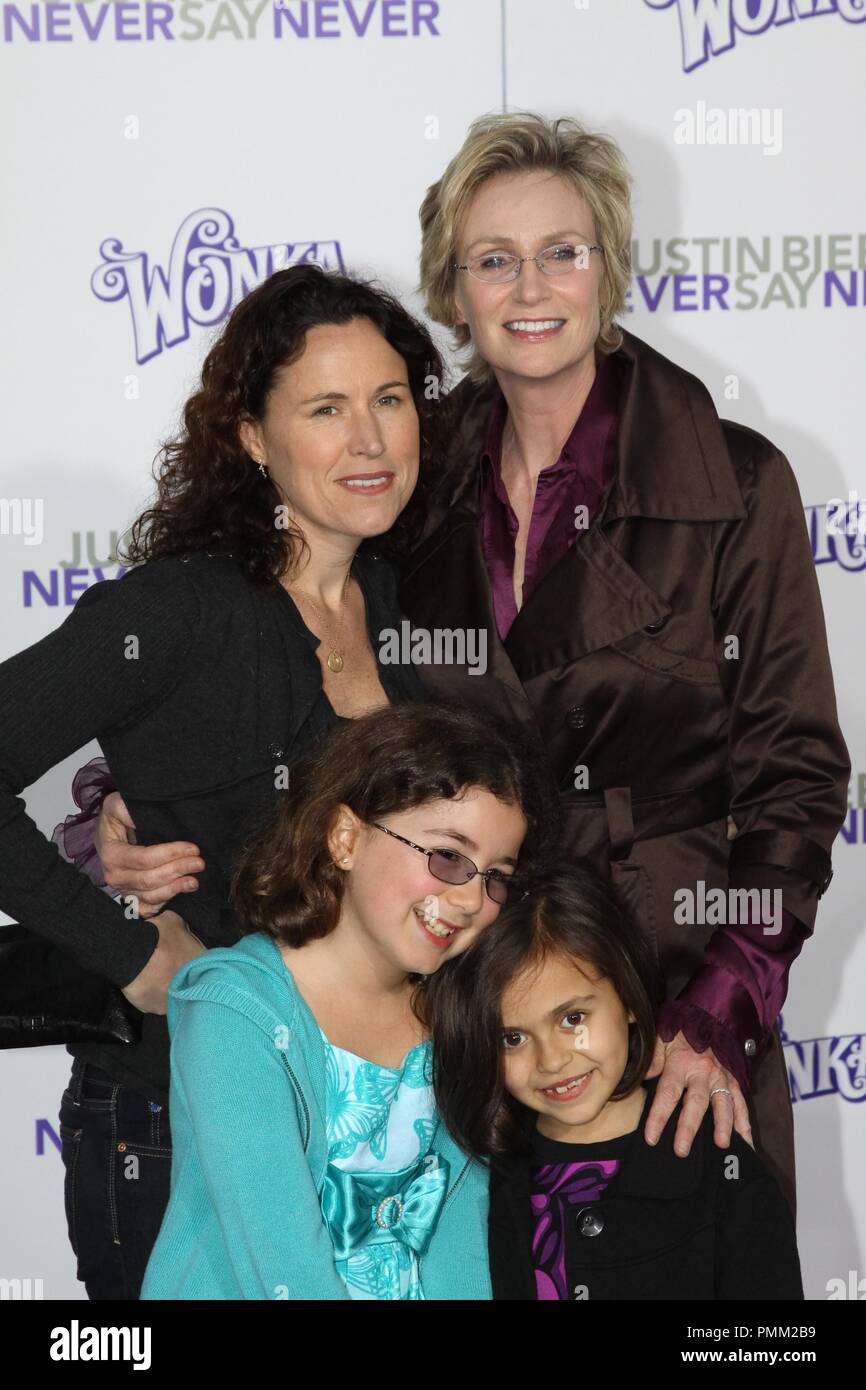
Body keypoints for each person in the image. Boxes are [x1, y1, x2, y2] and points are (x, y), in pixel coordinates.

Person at [398, 110, 851, 1214]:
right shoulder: (410, 482)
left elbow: (793, 776)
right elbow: (304, 651)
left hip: (673, 999)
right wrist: (119, 788)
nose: (531, 287)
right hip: (480, 1013)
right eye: (492, 261)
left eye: (563, 251)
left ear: (608, 269)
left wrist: (718, 1009)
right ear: (453, 292)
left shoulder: (734, 484)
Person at [0, 263, 451, 1299]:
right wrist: (126, 945)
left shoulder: (402, 602)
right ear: (252, 436)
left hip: (374, 1131)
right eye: (325, 409)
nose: (370, 440)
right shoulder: (177, 610)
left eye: (388, 400)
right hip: (172, 1126)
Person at [139, 701, 552, 1300]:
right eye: (448, 857)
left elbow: (459, 1247)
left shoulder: (453, 1013)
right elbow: (278, 1267)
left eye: (495, 876)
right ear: (345, 838)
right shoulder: (234, 1010)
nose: (470, 900)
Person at [418, 862, 804, 1301]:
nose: (552, 1059)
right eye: (513, 1038)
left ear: (628, 996)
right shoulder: (485, 1179)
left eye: (573, 1018)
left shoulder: (722, 1170)